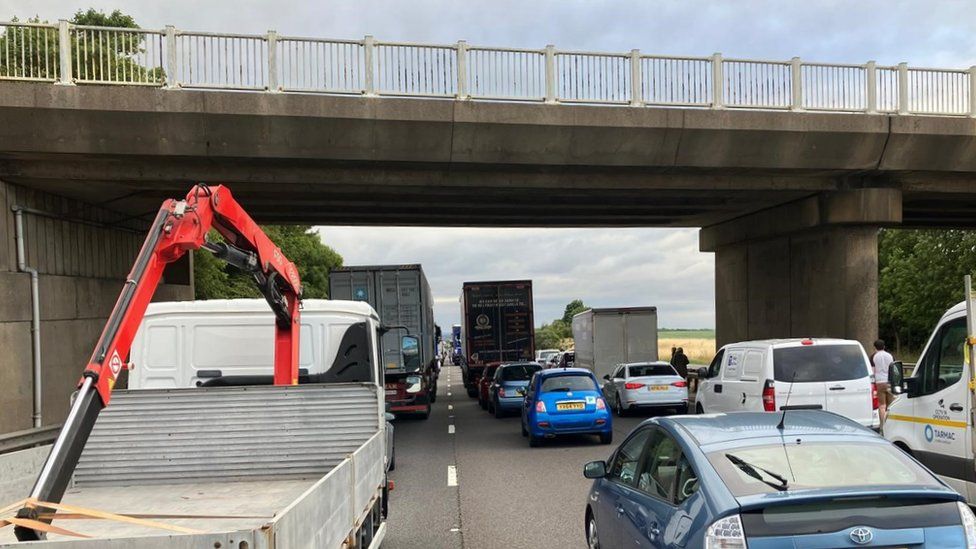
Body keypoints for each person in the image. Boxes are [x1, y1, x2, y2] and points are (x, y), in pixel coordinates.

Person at [872, 339, 894, 424]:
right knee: (890, 405)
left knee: (882, 405)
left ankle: (883, 424)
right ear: (884, 346)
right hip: (889, 382)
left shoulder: (873, 356)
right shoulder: (890, 356)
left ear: (875, 347)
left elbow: (873, 371)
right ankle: (890, 423)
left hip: (879, 382)